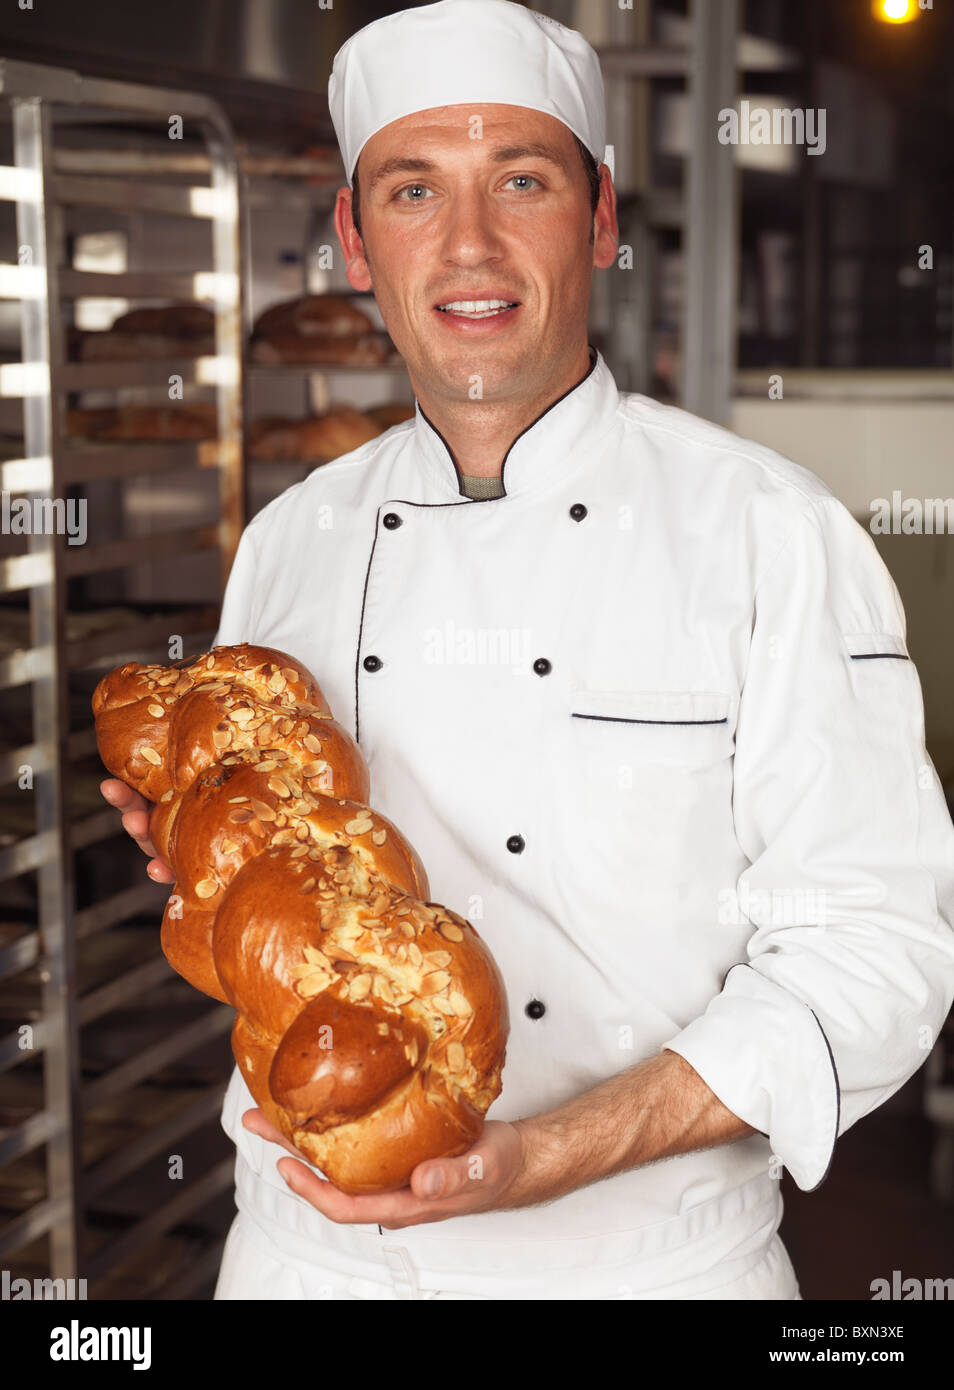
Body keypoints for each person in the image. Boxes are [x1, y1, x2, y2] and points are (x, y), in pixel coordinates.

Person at [101, 0, 954, 1300]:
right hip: (307, 1262)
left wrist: (550, 1150)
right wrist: (213, 883)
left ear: (602, 219)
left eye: (520, 179)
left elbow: (877, 948)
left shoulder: (766, 532)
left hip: (643, 1267)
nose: (467, 245)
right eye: (410, 189)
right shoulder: (286, 540)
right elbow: (287, 879)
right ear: (351, 238)